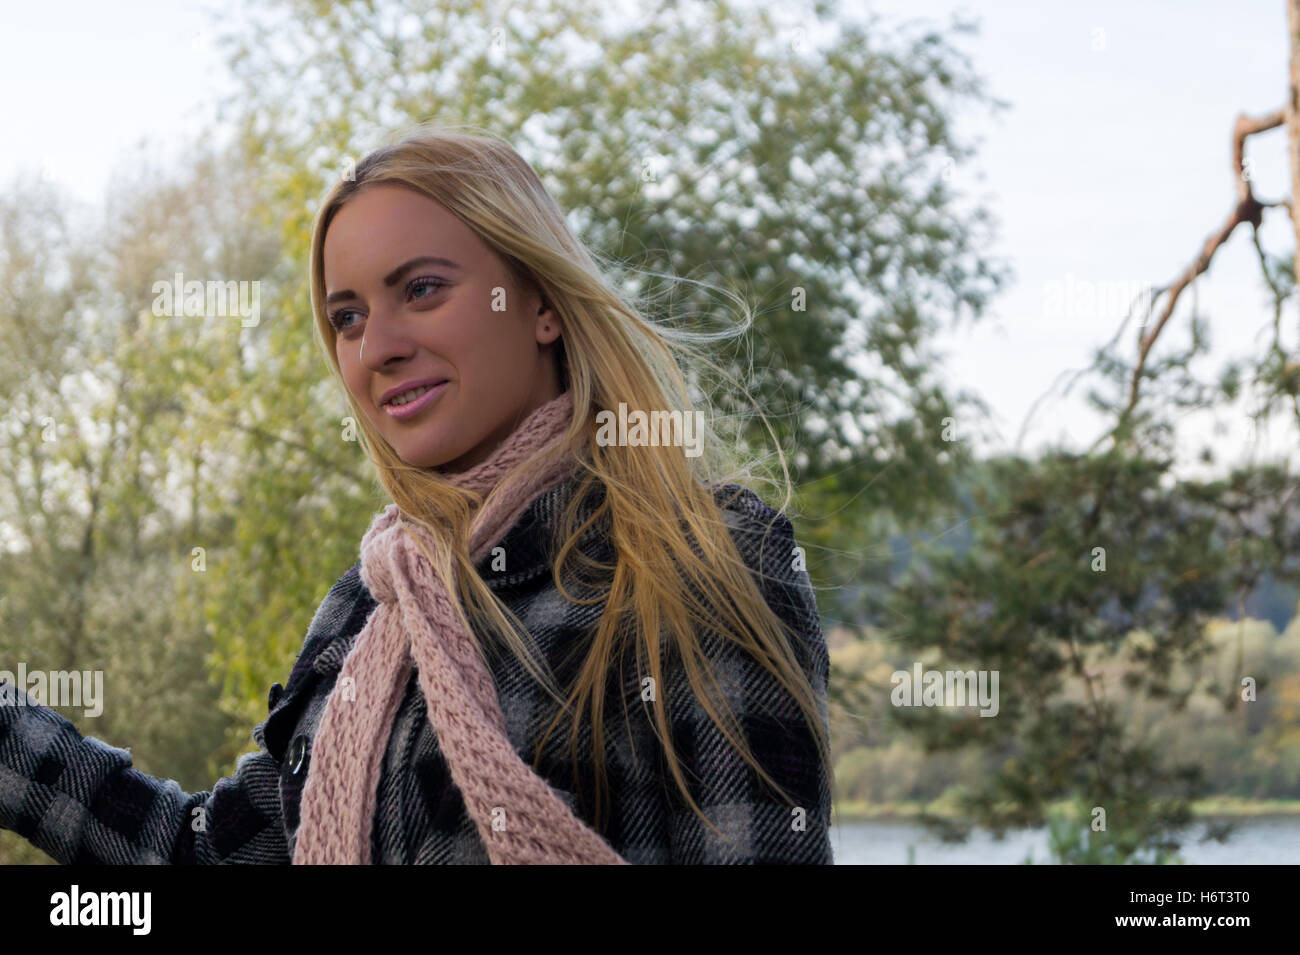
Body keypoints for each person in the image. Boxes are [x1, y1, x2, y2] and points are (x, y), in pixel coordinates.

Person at [0, 125, 835, 864]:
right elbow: (208, 852)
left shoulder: (697, 553)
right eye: (349, 317)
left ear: (542, 301)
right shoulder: (371, 603)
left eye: (423, 289)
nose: (379, 348)